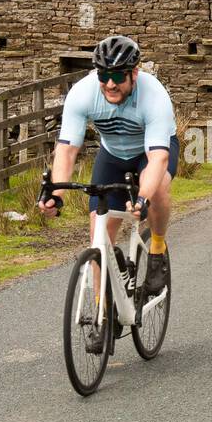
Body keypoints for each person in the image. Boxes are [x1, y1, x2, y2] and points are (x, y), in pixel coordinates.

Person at [38, 35, 177, 304]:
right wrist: (57, 194)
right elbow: (66, 149)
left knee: (158, 188)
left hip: (151, 152)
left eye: (117, 75)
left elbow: (158, 157)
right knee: (98, 238)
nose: (110, 83)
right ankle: (103, 312)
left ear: (134, 74)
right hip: (112, 155)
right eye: (104, 75)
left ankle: (157, 248)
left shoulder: (154, 95)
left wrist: (142, 198)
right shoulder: (83, 93)